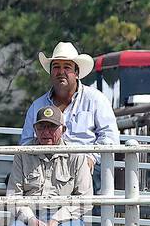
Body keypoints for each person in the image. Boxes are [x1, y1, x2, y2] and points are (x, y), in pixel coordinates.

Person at [20, 42, 118, 171]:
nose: (61, 72)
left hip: (87, 167)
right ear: (50, 73)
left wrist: (92, 158)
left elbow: (109, 137)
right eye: (56, 67)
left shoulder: (96, 100)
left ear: (76, 73)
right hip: (46, 168)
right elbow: (27, 142)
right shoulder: (37, 106)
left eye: (67, 67)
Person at [5, 106, 93, 226]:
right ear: (34, 129)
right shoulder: (22, 153)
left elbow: (85, 199)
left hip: (66, 218)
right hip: (29, 215)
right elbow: (13, 195)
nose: (46, 132)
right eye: (41, 127)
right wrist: (31, 220)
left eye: (52, 127)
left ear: (63, 130)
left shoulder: (77, 155)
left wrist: (56, 220)